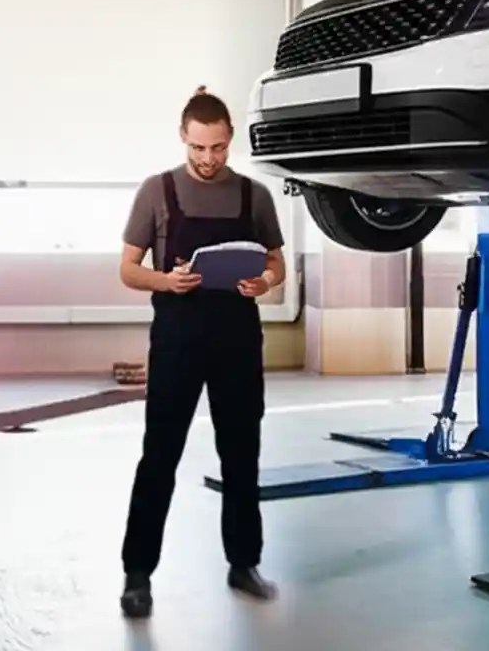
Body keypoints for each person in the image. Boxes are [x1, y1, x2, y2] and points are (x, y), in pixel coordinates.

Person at [116, 85, 286, 618]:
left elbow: (278, 265)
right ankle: (137, 574)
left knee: (241, 454)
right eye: (197, 148)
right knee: (160, 455)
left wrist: (265, 283)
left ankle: (244, 563)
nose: (208, 159)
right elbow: (127, 269)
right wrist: (167, 281)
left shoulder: (254, 196)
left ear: (230, 139)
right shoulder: (155, 191)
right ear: (183, 139)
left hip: (237, 339)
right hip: (178, 339)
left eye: (217, 148)